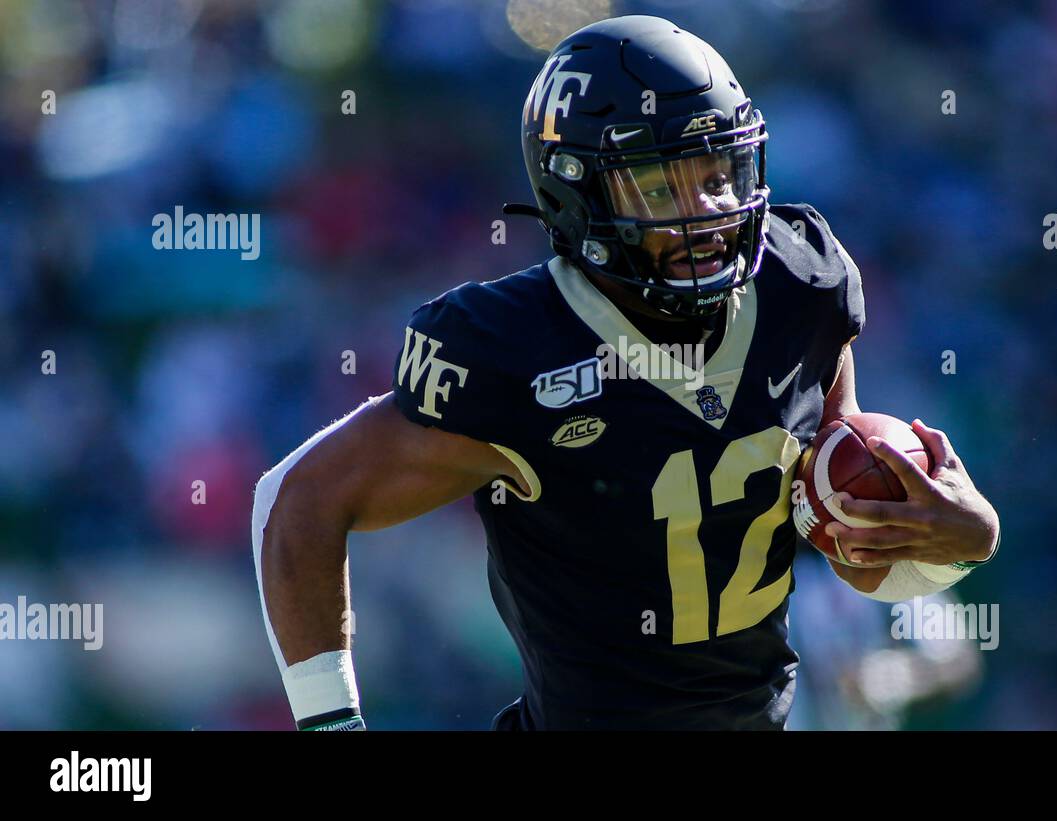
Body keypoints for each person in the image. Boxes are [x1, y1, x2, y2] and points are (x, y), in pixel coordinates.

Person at [252, 15, 1000, 731]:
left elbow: (844, 536)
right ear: (575, 193)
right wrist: (332, 722)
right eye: (659, 184)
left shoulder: (801, 286)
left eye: (719, 171)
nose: (705, 211)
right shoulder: (516, 349)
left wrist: (959, 540)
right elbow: (295, 502)